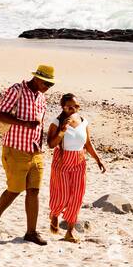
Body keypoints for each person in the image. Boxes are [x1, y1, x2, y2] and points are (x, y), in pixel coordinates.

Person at [0, 64, 56, 245]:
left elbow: (39, 125)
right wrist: (24, 123)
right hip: (15, 148)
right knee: (15, 190)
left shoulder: (42, 98)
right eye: (46, 83)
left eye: (51, 85)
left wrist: (40, 146)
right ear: (37, 78)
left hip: (35, 151)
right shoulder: (16, 90)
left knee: (34, 191)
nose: (47, 87)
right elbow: (1, 115)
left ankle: (31, 233)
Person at [45, 93, 106, 243]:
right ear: (63, 107)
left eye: (75, 106)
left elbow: (88, 144)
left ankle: (70, 232)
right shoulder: (57, 122)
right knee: (63, 195)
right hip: (62, 160)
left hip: (79, 161)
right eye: (69, 107)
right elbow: (51, 144)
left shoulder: (84, 121)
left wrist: (98, 160)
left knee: (77, 197)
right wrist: (62, 131)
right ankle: (54, 213)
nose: (73, 109)